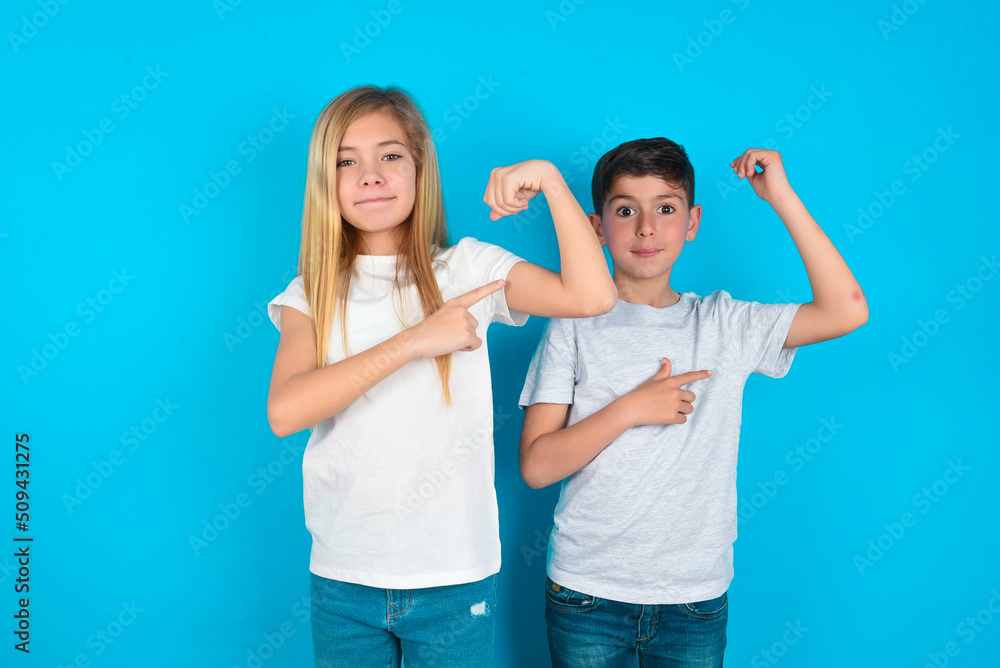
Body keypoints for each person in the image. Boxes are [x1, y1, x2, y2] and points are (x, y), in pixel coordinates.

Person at [265, 85, 616, 668]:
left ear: (420, 167)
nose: (370, 175)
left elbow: (591, 295)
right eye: (347, 161)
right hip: (344, 574)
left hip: (454, 576)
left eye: (390, 155)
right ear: (326, 180)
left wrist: (553, 181)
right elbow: (286, 411)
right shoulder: (313, 293)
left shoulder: (468, 267)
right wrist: (414, 341)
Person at [518, 138, 868, 667]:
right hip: (586, 591)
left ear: (692, 221)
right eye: (625, 210)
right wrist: (630, 408)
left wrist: (781, 197)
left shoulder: (725, 324)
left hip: (693, 599)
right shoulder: (572, 324)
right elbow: (537, 466)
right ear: (596, 226)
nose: (646, 228)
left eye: (665, 208)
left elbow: (847, 309)